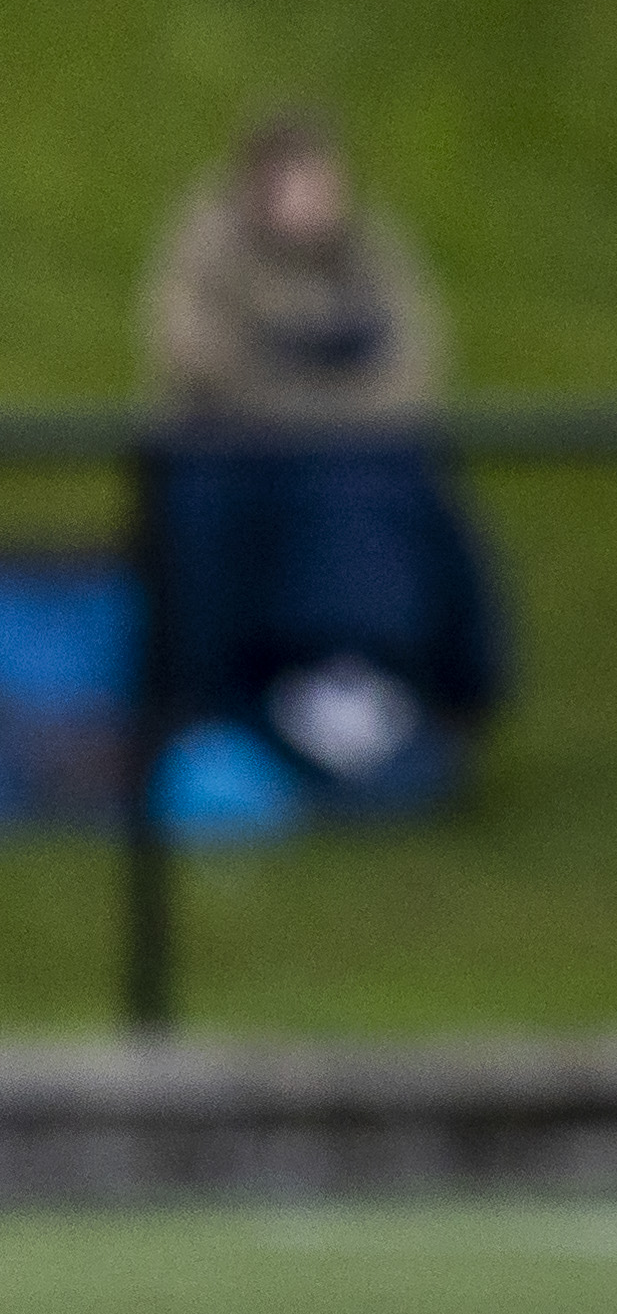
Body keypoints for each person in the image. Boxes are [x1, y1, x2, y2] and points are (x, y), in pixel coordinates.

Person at [137, 108, 500, 820]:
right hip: (236, 456)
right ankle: (231, 703)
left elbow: (411, 366)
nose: (316, 198)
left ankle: (375, 679)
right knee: (223, 507)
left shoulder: (370, 254)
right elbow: (200, 359)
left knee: (404, 497)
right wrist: (317, 406)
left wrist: (325, 412)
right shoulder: (210, 251)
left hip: (352, 460)